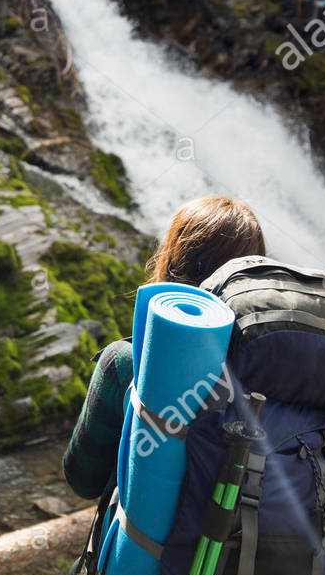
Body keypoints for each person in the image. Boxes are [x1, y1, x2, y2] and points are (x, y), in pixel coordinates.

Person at [62, 196, 266, 501]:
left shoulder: (125, 362)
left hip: (151, 546)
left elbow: (83, 479)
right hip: (258, 541)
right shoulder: (275, 366)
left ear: (170, 263)